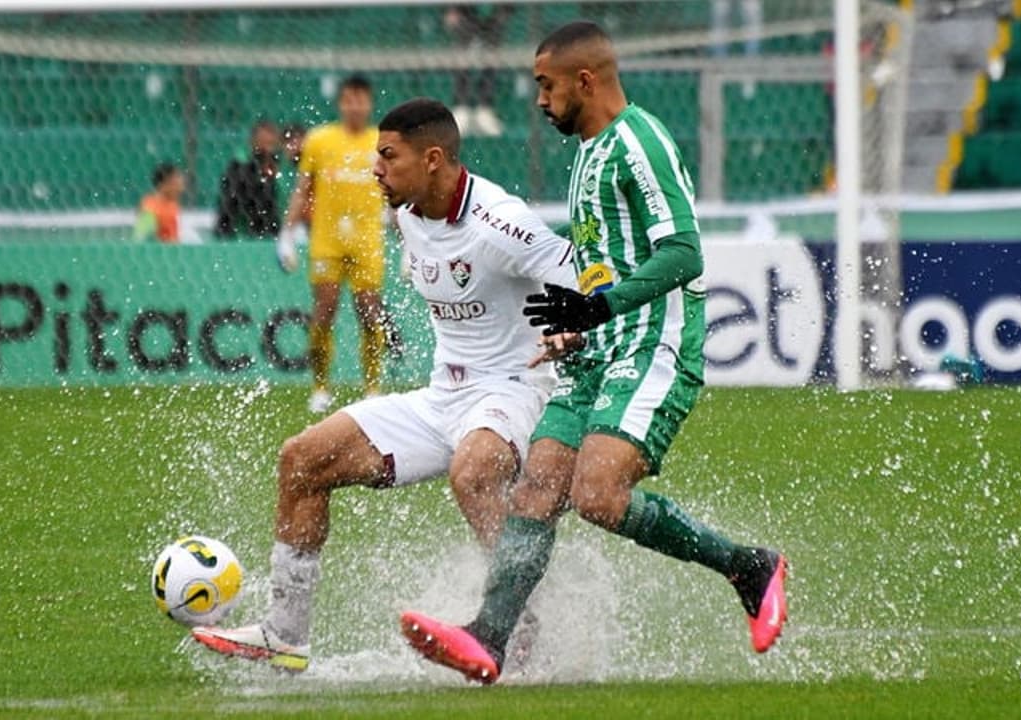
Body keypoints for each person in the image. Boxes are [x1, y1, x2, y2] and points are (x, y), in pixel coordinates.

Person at [400, 21, 788, 684]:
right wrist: (574, 327)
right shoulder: (587, 151)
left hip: (653, 342)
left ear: (585, 81)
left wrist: (597, 308)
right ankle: (490, 637)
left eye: (545, 85)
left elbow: (685, 252)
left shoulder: (639, 142)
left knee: (600, 496)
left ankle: (750, 566)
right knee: (537, 492)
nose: (539, 100)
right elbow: (603, 263)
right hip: (597, 349)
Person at [191, 97, 577, 672]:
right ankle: (284, 634)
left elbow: (576, 273)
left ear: (433, 159)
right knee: (302, 459)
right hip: (443, 398)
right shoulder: (408, 212)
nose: (375, 168)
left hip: (513, 392)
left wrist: (568, 331)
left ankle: (514, 630)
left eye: (388, 156)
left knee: (471, 473)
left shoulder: (501, 220)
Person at [277, 75, 388, 413]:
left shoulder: (381, 141)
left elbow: (394, 193)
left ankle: (372, 388)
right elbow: (303, 189)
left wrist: (409, 242)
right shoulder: (320, 140)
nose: (355, 105)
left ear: (369, 103)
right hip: (327, 241)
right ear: (340, 103)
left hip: (367, 241)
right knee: (324, 312)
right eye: (348, 99)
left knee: (370, 313)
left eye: (361, 99)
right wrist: (287, 233)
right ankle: (321, 387)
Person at [444, 4, 513, 137]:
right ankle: (461, 107)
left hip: (494, 10)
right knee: (463, 52)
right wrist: (452, 8)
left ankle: (484, 108)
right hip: (466, 10)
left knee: (491, 50)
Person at [214, 119, 282, 240]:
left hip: (276, 235)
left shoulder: (283, 170)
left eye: (270, 144)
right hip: (244, 236)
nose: (267, 149)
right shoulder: (238, 169)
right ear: (252, 142)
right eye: (262, 143)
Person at [133, 162, 184, 244]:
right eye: (177, 180)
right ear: (164, 184)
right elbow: (140, 238)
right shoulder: (150, 207)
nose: (181, 186)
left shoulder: (173, 205)